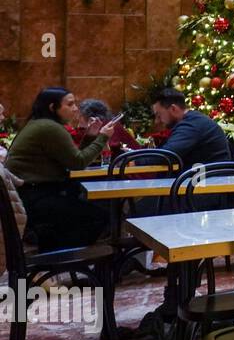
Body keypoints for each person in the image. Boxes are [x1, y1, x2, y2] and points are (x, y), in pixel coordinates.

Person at [3, 88, 115, 251]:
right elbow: (78, 162)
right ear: (52, 107)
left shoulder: (39, 123)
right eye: (70, 104)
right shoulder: (49, 127)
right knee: (100, 216)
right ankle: (58, 256)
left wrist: (91, 136)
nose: (75, 108)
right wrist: (103, 137)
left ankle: (54, 249)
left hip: (28, 194)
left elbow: (72, 158)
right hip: (36, 197)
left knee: (90, 209)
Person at [150, 88, 231, 168]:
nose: (157, 121)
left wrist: (137, 160)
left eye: (159, 115)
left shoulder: (191, 125)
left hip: (212, 179)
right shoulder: (191, 120)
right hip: (206, 176)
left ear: (173, 109)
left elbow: (165, 156)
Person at [77, 99, 141, 156]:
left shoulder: (106, 127)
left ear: (90, 117)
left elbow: (107, 151)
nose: (78, 118)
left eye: (80, 115)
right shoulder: (113, 124)